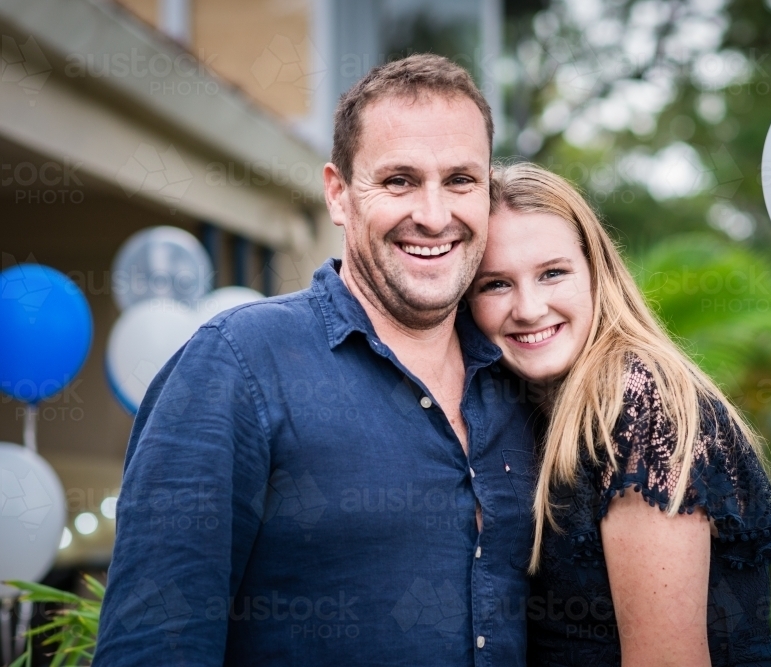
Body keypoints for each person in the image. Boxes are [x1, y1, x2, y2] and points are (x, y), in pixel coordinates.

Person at [94, 55, 539, 666]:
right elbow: (153, 648)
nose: (435, 216)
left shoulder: (523, 375)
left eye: (461, 180)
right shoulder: (235, 365)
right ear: (338, 194)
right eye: (399, 181)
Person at [467, 163, 771, 667]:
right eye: (495, 284)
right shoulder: (528, 404)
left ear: (597, 272)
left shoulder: (641, 405)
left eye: (553, 273)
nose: (529, 308)